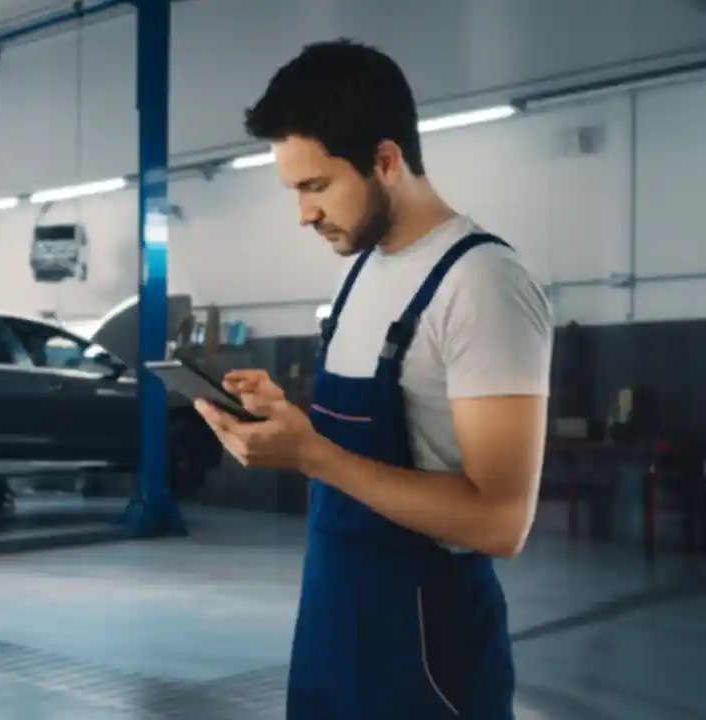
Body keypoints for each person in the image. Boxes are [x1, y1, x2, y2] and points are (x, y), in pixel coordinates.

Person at [194, 39, 553, 719]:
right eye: (294, 191)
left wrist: (314, 455)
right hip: (333, 629)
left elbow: (501, 522)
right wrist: (289, 420)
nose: (303, 214)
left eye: (316, 186)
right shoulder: (361, 271)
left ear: (386, 160)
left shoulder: (481, 283)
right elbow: (370, 443)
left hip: (428, 660)